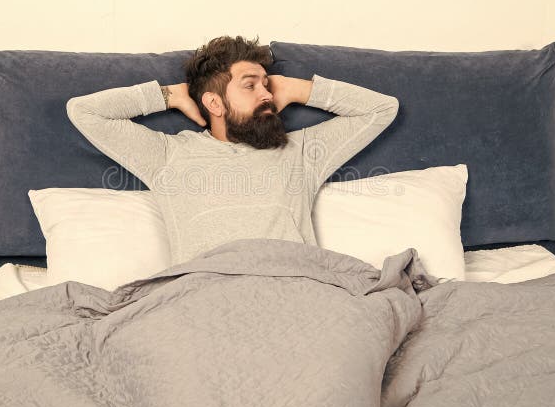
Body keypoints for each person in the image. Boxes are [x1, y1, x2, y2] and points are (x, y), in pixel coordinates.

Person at [66, 35, 399, 265]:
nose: (266, 94)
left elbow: (382, 110)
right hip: (204, 297)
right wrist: (169, 95)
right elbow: (84, 112)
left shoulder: (301, 151)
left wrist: (296, 89)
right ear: (215, 103)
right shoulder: (168, 155)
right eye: (250, 85)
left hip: (294, 292)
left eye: (268, 85)